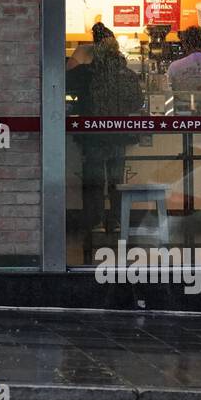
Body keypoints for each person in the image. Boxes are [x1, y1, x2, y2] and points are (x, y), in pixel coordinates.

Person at [67, 27, 144, 257]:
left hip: (92, 137)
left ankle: (95, 223)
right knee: (116, 182)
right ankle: (118, 221)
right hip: (118, 136)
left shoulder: (86, 73)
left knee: (93, 182)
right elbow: (137, 103)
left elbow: (62, 82)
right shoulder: (128, 75)